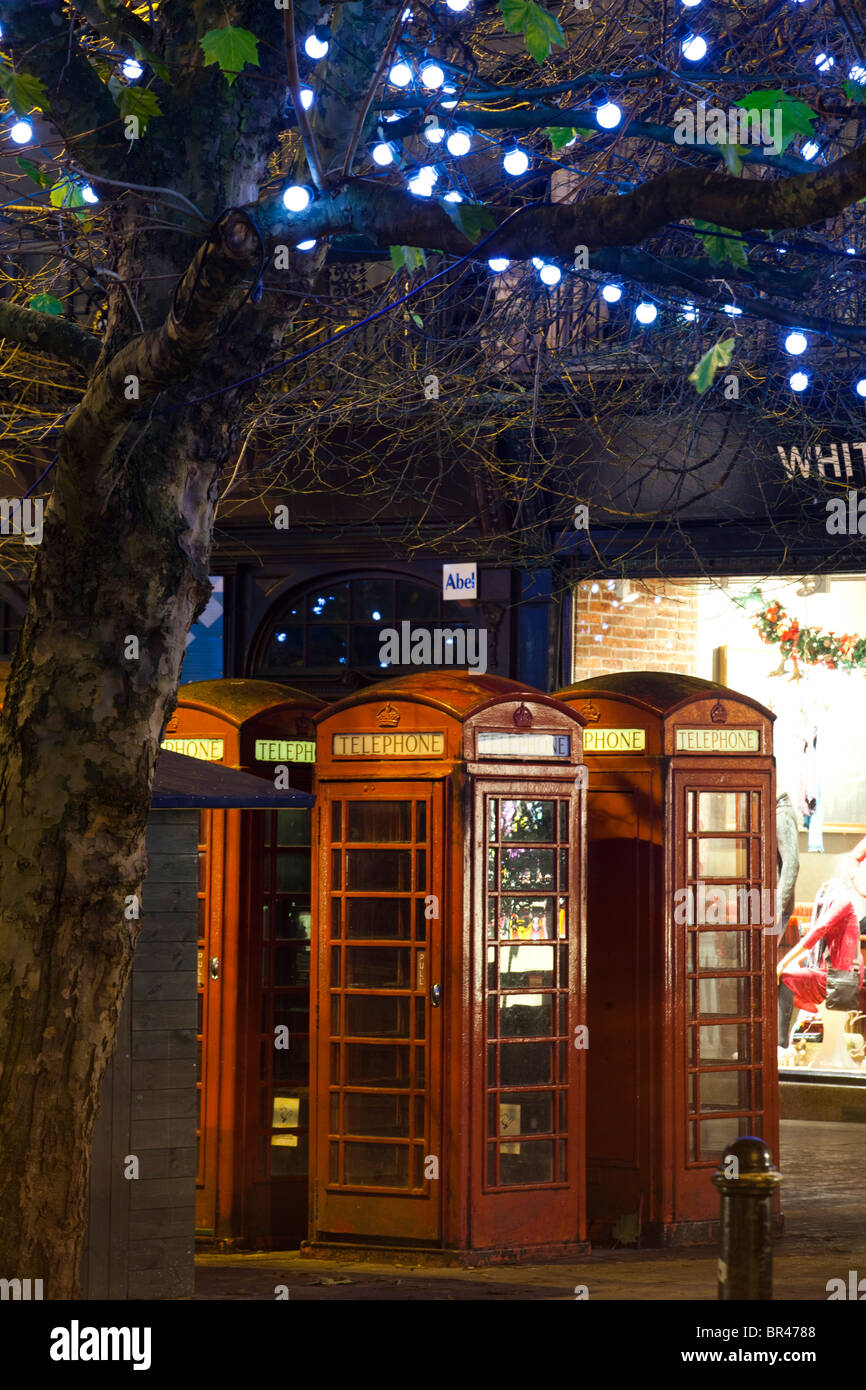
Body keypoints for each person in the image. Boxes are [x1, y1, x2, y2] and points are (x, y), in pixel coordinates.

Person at [777, 839, 866, 1049]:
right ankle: (785, 1039)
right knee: (785, 974)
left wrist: (782, 964)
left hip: (842, 976)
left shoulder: (841, 902)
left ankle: (781, 1043)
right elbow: (853, 860)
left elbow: (815, 934)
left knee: (784, 976)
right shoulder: (834, 899)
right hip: (838, 971)